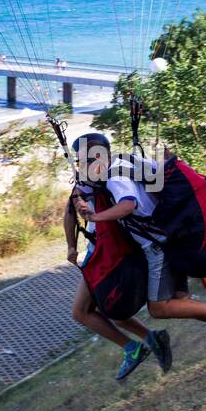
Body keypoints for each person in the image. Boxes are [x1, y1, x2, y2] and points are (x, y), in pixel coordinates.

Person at [72, 132, 206, 356]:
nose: (80, 167)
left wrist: (95, 217)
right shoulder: (125, 160)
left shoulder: (116, 178)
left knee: (160, 308)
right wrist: (79, 197)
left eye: (82, 161)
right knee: (180, 301)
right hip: (173, 238)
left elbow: (128, 205)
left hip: (158, 248)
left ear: (95, 159)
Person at [64, 151, 168, 382]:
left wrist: (91, 220)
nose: (85, 166)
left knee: (82, 311)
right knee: (108, 308)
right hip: (123, 248)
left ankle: (134, 348)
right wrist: (72, 245)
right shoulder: (101, 176)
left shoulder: (108, 179)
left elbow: (127, 205)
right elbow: (70, 210)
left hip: (109, 253)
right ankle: (151, 339)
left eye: (86, 161)